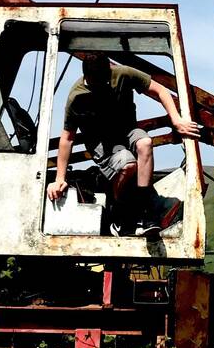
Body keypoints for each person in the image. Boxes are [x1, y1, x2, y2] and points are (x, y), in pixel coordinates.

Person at [47, 53, 201, 236]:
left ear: (109, 70)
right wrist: (59, 178)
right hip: (102, 143)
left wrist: (176, 120)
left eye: (106, 80)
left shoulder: (123, 74)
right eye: (98, 83)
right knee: (128, 163)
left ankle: (145, 211)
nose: (103, 85)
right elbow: (67, 138)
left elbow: (160, 90)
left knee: (145, 143)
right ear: (87, 77)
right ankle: (119, 214)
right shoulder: (77, 96)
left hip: (127, 132)